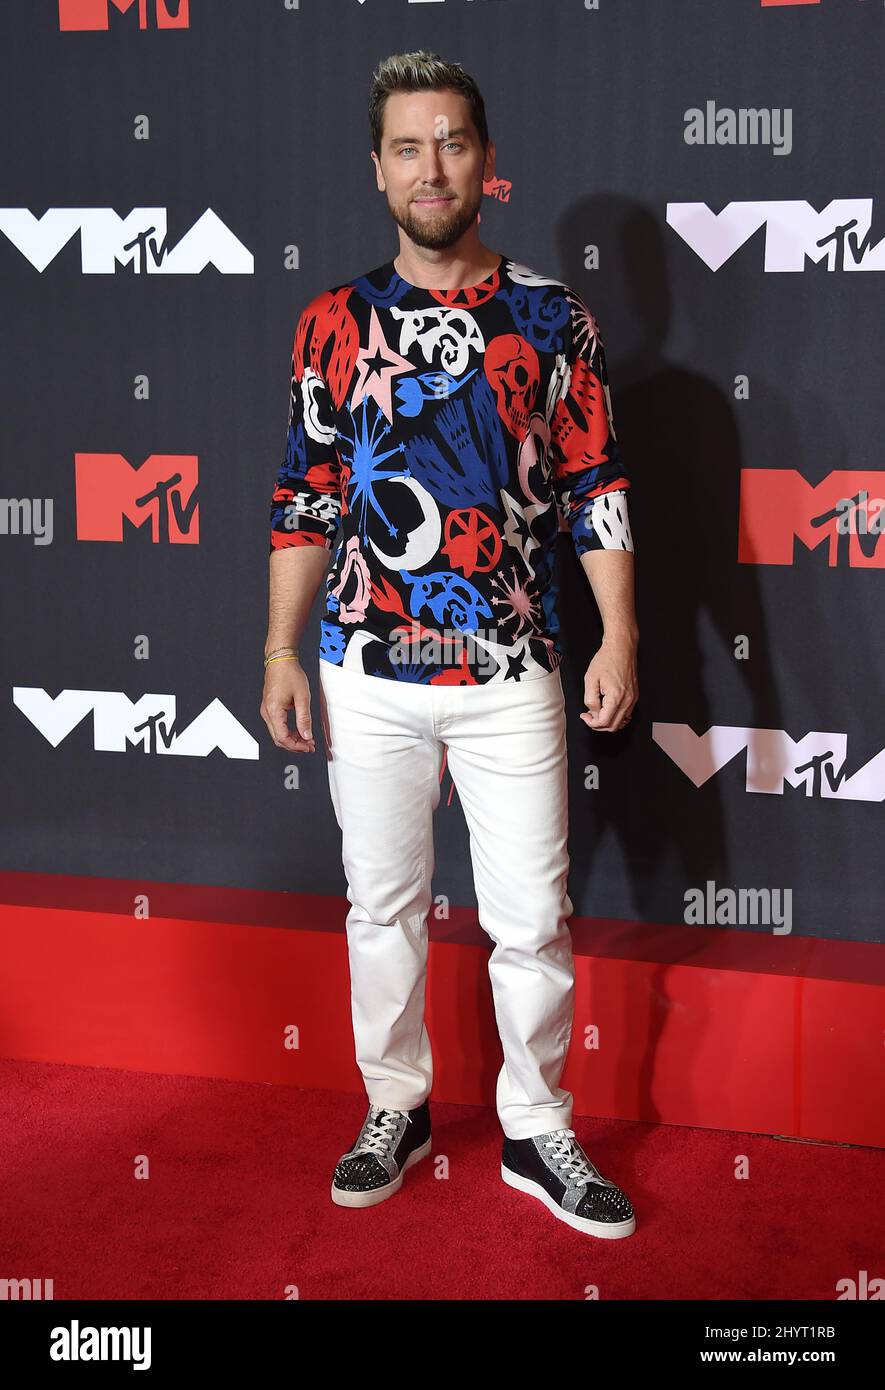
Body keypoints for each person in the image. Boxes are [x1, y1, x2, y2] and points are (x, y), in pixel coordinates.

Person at [260, 50, 638, 1240]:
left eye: (454, 144)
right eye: (409, 148)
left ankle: (536, 1127)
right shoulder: (333, 319)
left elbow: (595, 486)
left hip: (512, 668)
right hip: (365, 672)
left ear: (487, 163)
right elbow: (305, 495)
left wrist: (617, 630)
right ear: (378, 171)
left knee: (531, 915)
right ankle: (397, 1106)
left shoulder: (551, 317)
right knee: (383, 908)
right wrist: (280, 650)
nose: (433, 169)